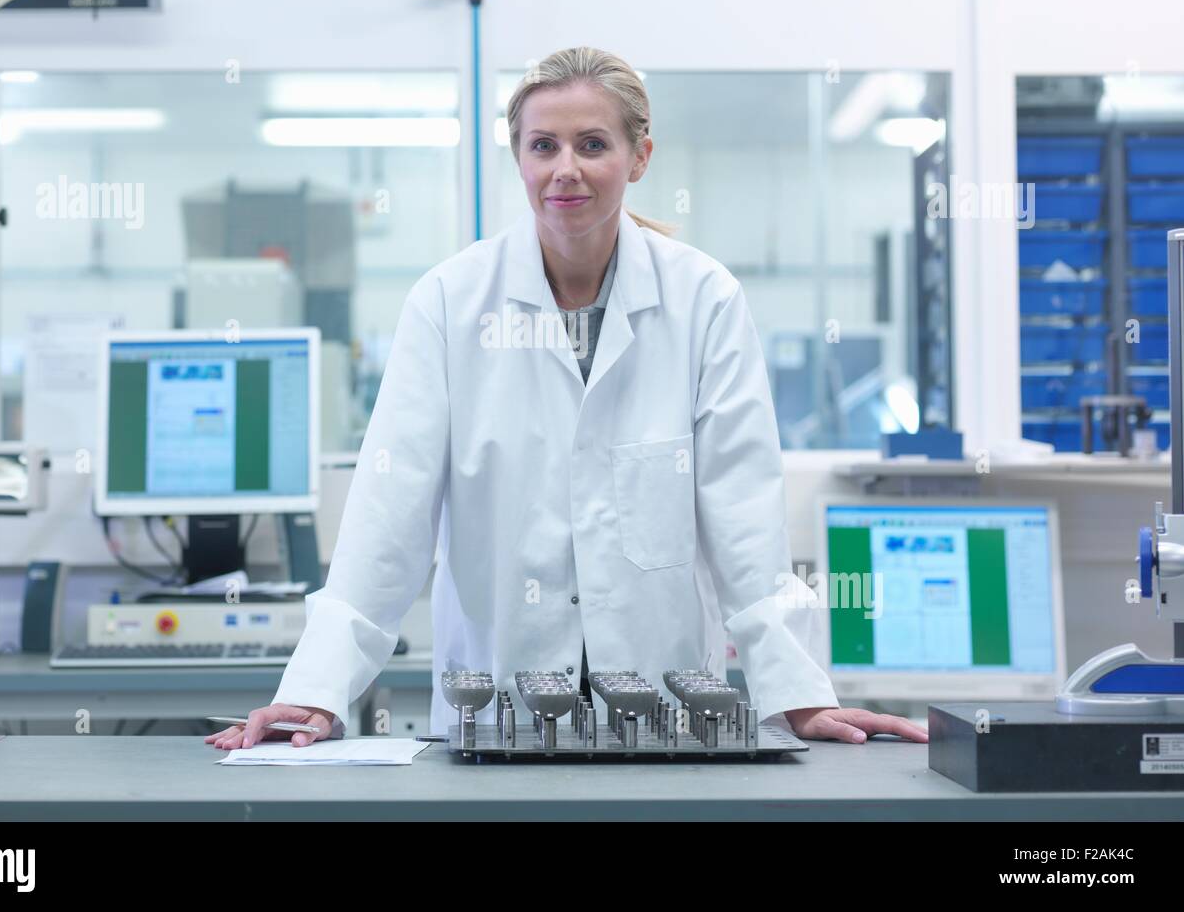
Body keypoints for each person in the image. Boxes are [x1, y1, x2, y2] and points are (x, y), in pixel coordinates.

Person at [207, 46, 927, 752]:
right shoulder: (451, 303)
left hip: (667, 713)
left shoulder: (703, 301)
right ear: (518, 156)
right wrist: (315, 690)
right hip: (495, 710)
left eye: (592, 144)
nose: (565, 170)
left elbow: (745, 516)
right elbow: (387, 516)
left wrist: (796, 693)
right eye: (543, 145)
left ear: (639, 157)